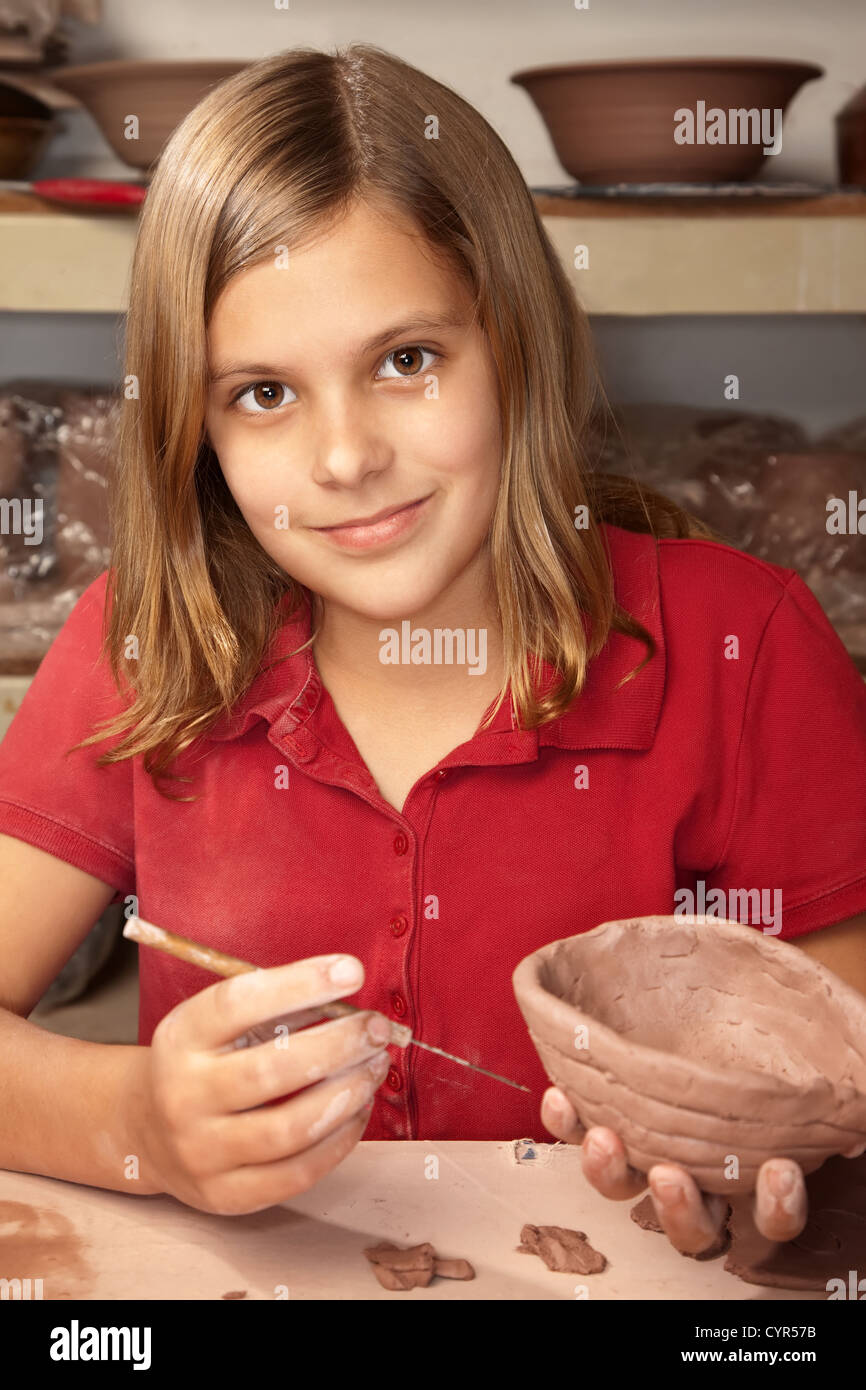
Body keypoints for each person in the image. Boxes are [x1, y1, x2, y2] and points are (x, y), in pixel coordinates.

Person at [0, 45, 864, 1260]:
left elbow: (839, 1098)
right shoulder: (144, 643)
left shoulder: (743, 648)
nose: (344, 457)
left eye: (405, 360)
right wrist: (129, 1118)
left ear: (514, 340)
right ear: (190, 425)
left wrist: (791, 1205)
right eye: (260, 393)